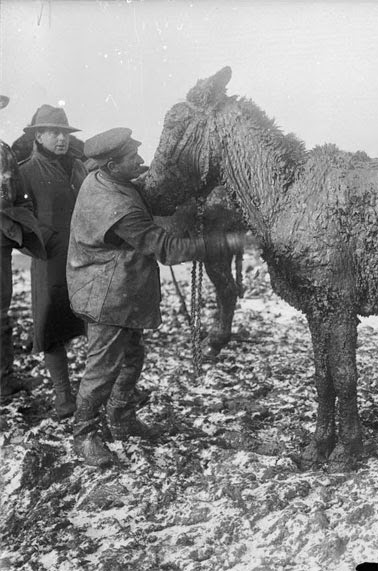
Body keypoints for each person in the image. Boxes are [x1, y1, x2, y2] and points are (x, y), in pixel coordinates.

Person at [67, 127, 249, 467]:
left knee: (132, 357)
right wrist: (224, 243)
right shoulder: (114, 204)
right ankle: (85, 434)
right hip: (106, 295)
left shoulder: (108, 181)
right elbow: (165, 248)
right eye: (131, 158)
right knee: (102, 368)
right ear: (109, 165)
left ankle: (121, 417)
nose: (140, 160)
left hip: (120, 288)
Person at [18, 105, 88, 419]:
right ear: (38, 135)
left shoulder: (76, 167)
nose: (61, 139)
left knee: (93, 318)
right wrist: (46, 238)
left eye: (65, 133)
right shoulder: (25, 172)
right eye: (54, 133)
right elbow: (21, 216)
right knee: (49, 325)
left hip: (85, 256)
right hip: (49, 260)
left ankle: (106, 387)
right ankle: (64, 396)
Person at [0, 95, 49, 402]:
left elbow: (12, 196)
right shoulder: (3, 151)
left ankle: (3, 379)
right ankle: (3, 380)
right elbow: (10, 198)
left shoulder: (3, 151)